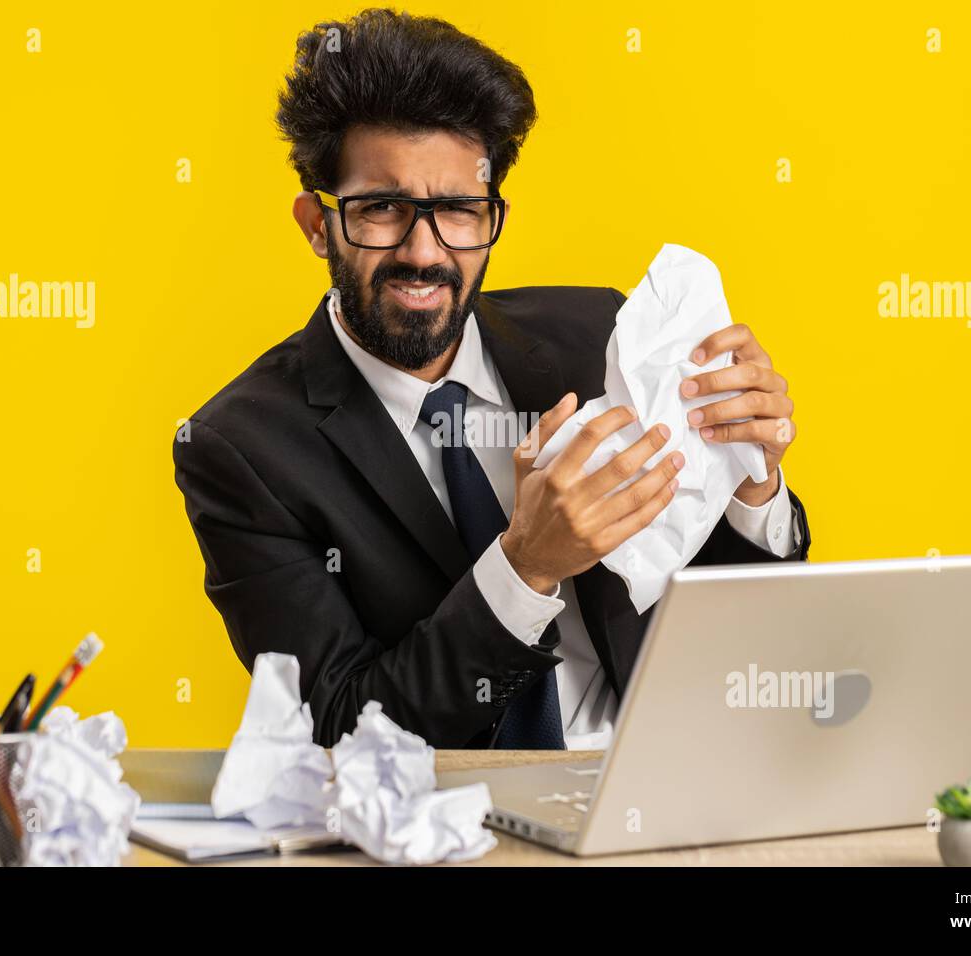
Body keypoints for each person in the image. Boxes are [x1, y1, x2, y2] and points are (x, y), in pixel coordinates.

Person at [174, 8, 809, 749]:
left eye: (457, 211)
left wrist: (747, 482)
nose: (424, 251)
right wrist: (526, 568)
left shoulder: (599, 339)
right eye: (381, 209)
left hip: (661, 790)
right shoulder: (242, 449)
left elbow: (733, 620)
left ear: (492, 212)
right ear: (317, 225)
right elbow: (343, 729)